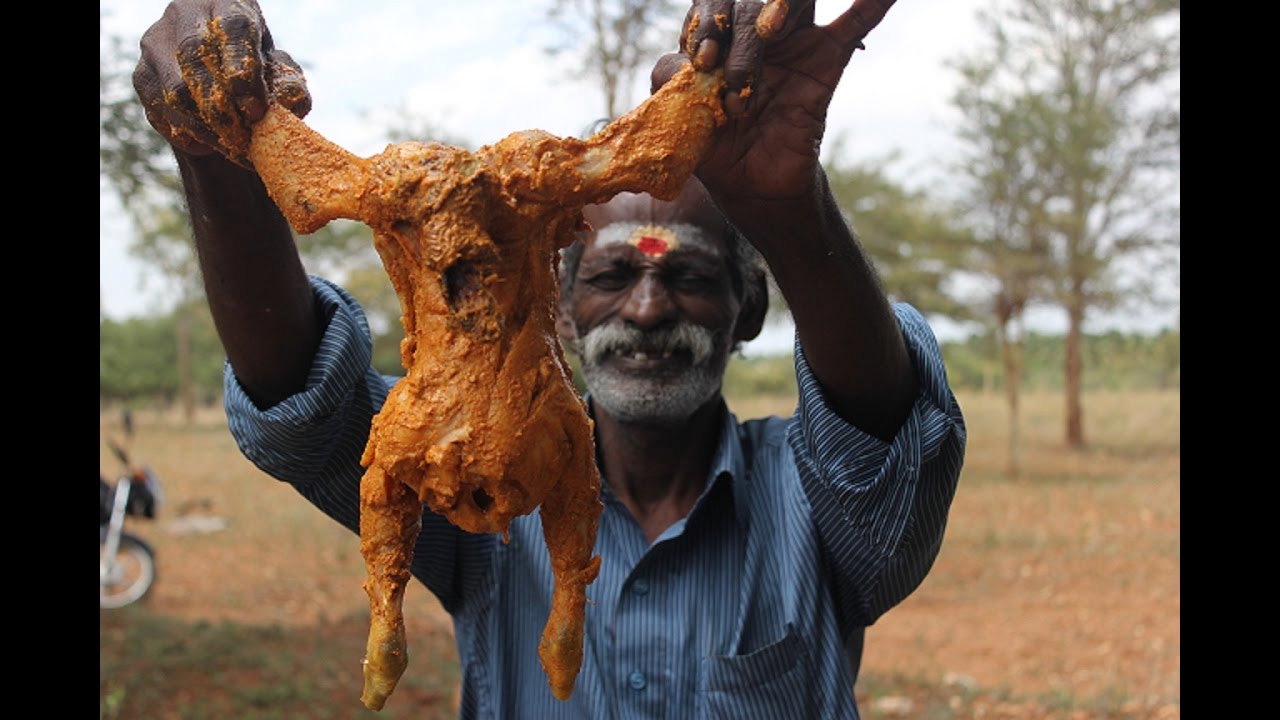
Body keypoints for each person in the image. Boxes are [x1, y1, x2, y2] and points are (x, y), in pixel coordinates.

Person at [132, 0, 966, 717]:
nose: (646, 307)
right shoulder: (482, 497)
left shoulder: (809, 504)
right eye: (611, 273)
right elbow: (296, 392)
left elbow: (886, 435)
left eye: (688, 275)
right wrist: (215, 145)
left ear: (747, 308)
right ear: (560, 305)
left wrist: (789, 207)